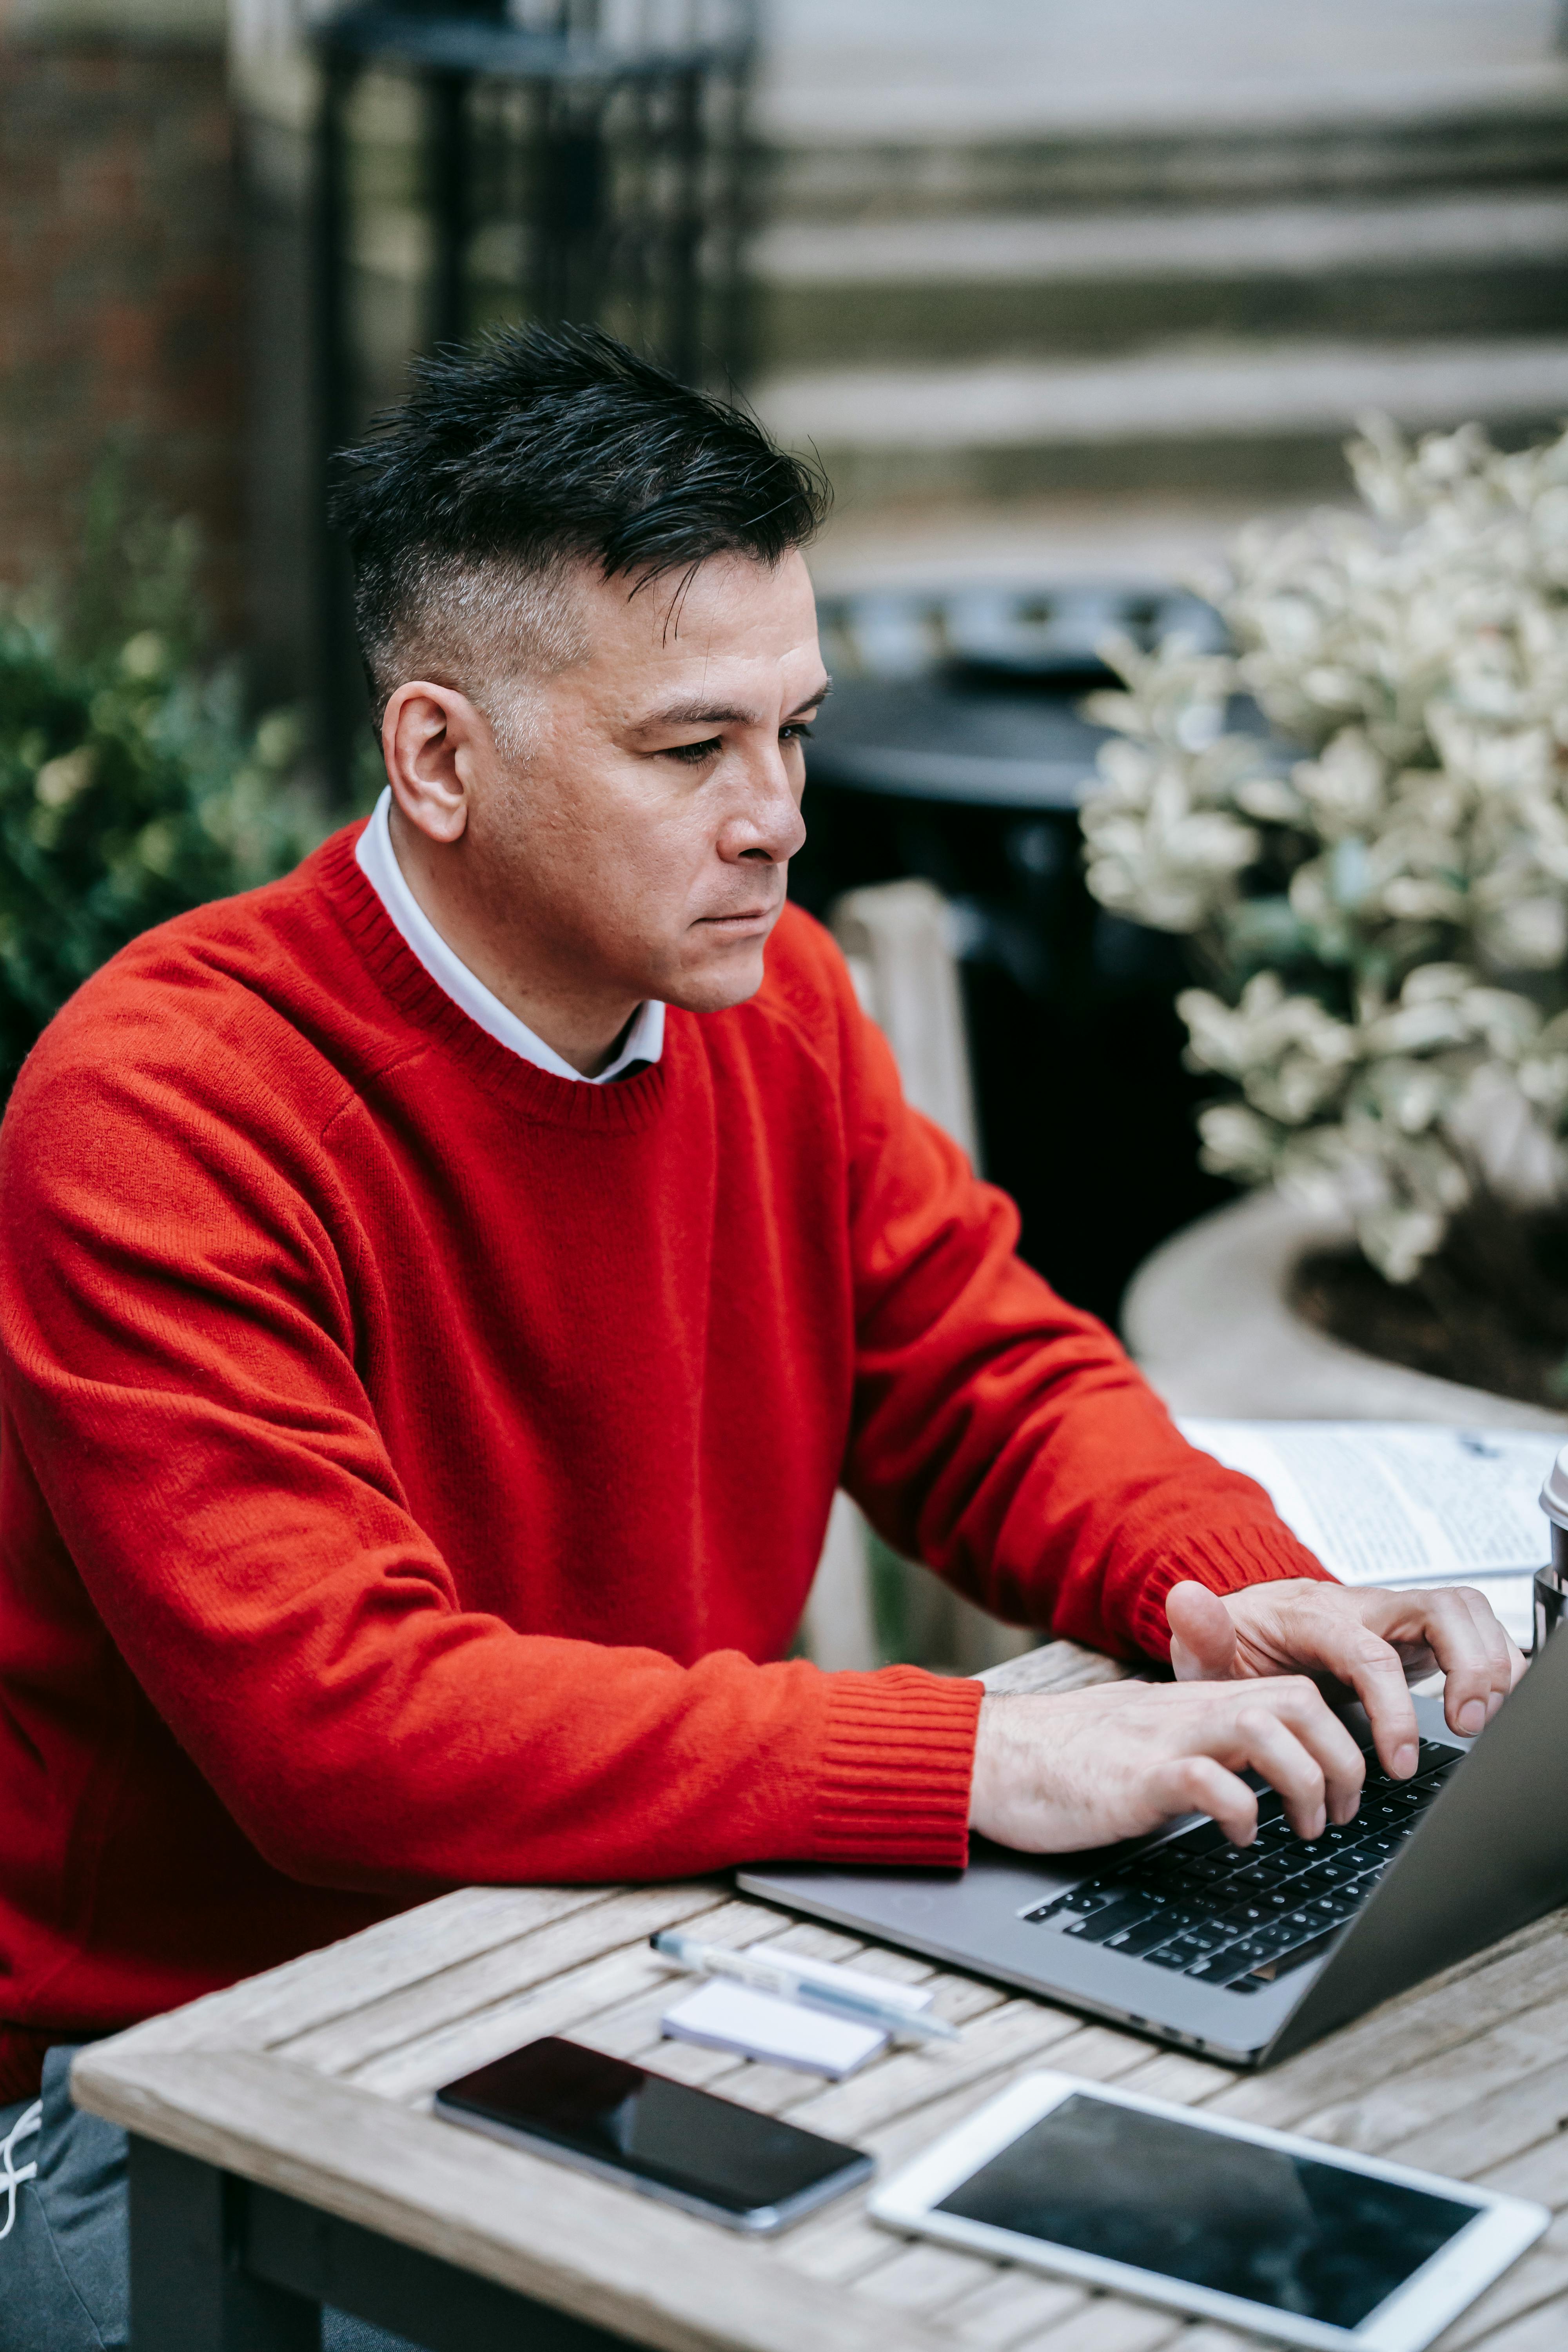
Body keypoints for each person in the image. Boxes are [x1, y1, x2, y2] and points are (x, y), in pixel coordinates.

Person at [0, 327, 1520, 2348]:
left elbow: (987, 1384)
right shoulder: (164, 1109)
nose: (780, 815)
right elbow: (344, 1734)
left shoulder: (774, 1005)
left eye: (794, 730)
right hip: (193, 2080)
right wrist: (981, 1750)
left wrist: (1235, 1590)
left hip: (663, 1954)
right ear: (438, 755)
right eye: (690, 749)